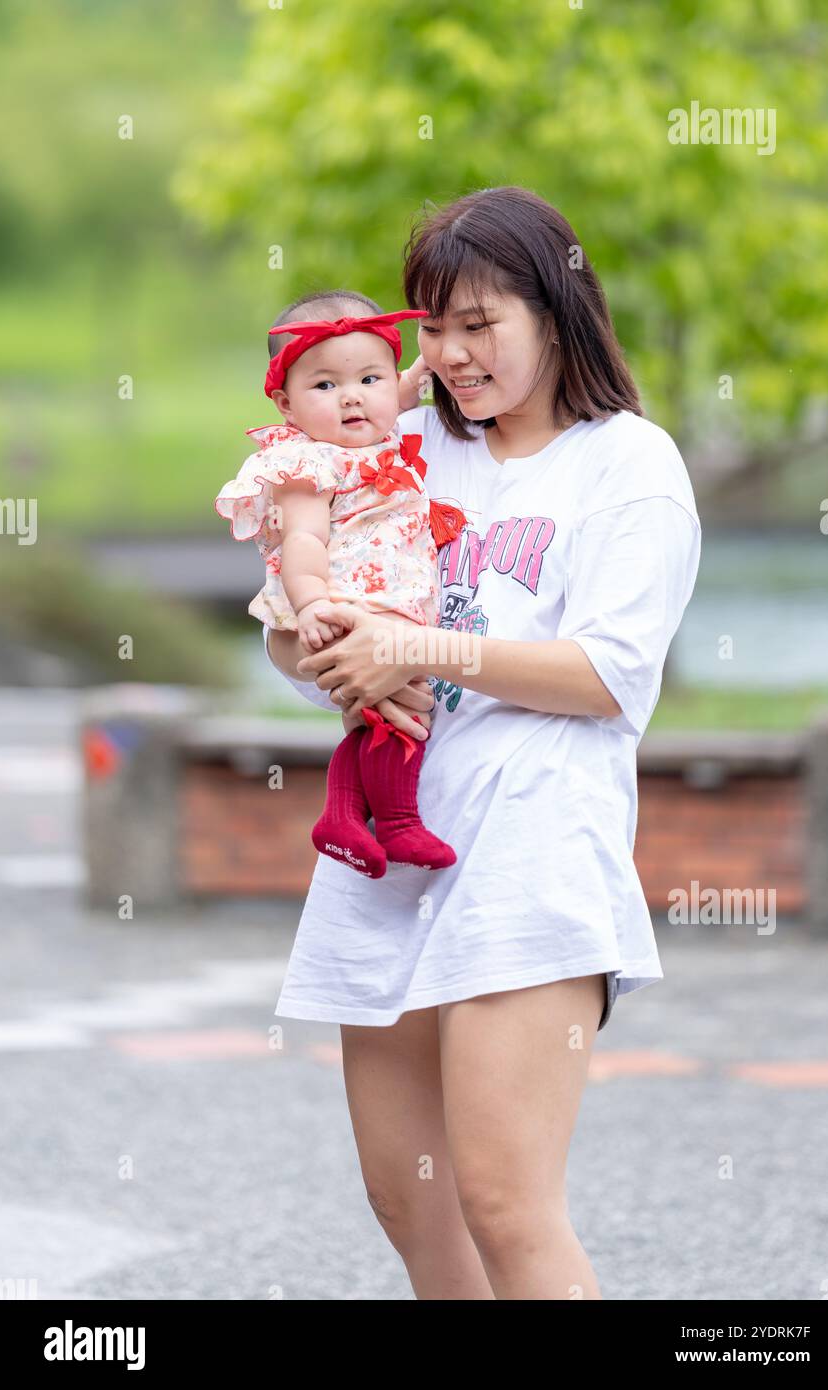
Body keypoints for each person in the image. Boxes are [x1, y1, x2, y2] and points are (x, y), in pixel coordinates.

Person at [265, 185, 702, 1299]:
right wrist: (322, 648)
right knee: (409, 1201)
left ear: (555, 311)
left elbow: (608, 675)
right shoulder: (402, 444)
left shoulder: (627, 465)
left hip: (530, 853)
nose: (452, 354)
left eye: (480, 324)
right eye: (435, 328)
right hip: (388, 852)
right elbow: (290, 631)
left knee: (504, 1203)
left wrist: (418, 647)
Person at [215, 293, 470, 875]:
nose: (352, 397)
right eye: (324, 386)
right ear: (285, 404)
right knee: (402, 711)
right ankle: (399, 821)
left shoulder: (372, 423)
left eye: (368, 378)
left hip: (387, 596)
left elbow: (392, 392)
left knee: (376, 712)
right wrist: (313, 607)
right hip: (344, 601)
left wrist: (420, 371)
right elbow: (302, 542)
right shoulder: (309, 463)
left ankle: (343, 816)